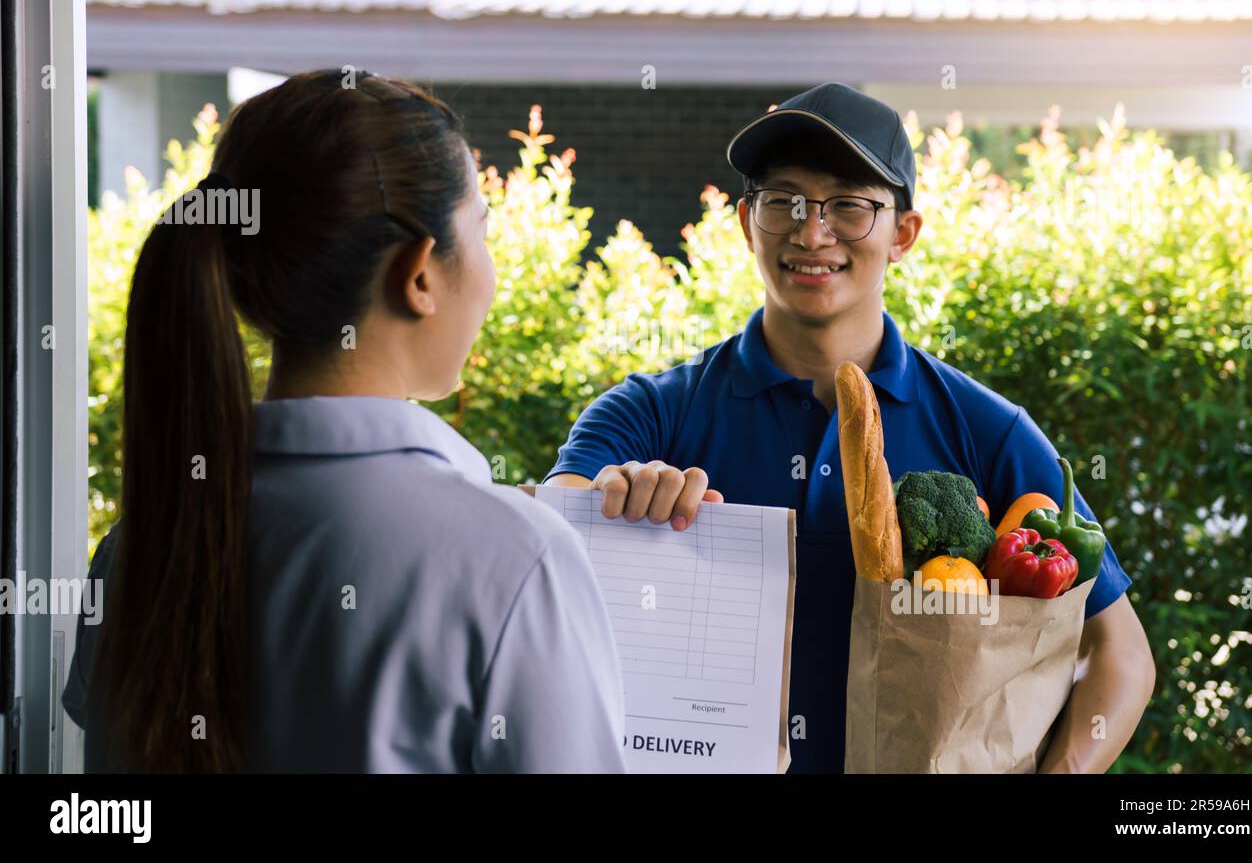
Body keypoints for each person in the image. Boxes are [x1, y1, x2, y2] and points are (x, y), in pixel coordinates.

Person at [545, 82, 1156, 774]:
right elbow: (553, 525)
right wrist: (612, 493)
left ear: (903, 234)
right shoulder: (649, 412)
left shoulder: (988, 430)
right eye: (785, 202)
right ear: (748, 222)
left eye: (849, 206)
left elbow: (1120, 651)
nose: (811, 232)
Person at [63, 69, 626, 774]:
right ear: (420, 274)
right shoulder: (512, 562)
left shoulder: (140, 547)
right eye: (481, 231)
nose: (490, 270)